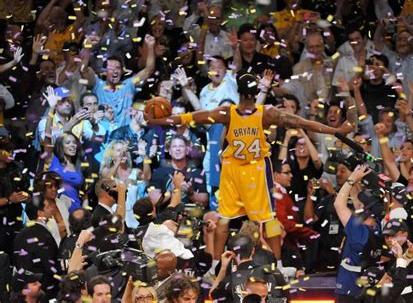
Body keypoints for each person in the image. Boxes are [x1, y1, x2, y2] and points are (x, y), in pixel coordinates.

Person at [145, 69, 353, 266]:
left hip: (232, 171)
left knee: (224, 219)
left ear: (238, 91)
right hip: (255, 171)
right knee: (269, 219)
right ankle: (278, 265)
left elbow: (189, 117)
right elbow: (303, 123)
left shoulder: (227, 112)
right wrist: (335, 130)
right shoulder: (268, 113)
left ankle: (216, 265)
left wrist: (157, 119)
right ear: (256, 91)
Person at [333, 165, 385, 302]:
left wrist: (350, 180)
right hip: (366, 291)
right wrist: (356, 177)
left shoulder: (360, 233)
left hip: (348, 291)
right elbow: (357, 200)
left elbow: (338, 205)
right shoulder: (379, 226)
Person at [14, 196, 61, 300]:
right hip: (44, 292)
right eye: (48, 207)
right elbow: (50, 267)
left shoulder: (21, 234)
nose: (51, 209)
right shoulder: (45, 236)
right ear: (40, 213)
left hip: (26, 291)